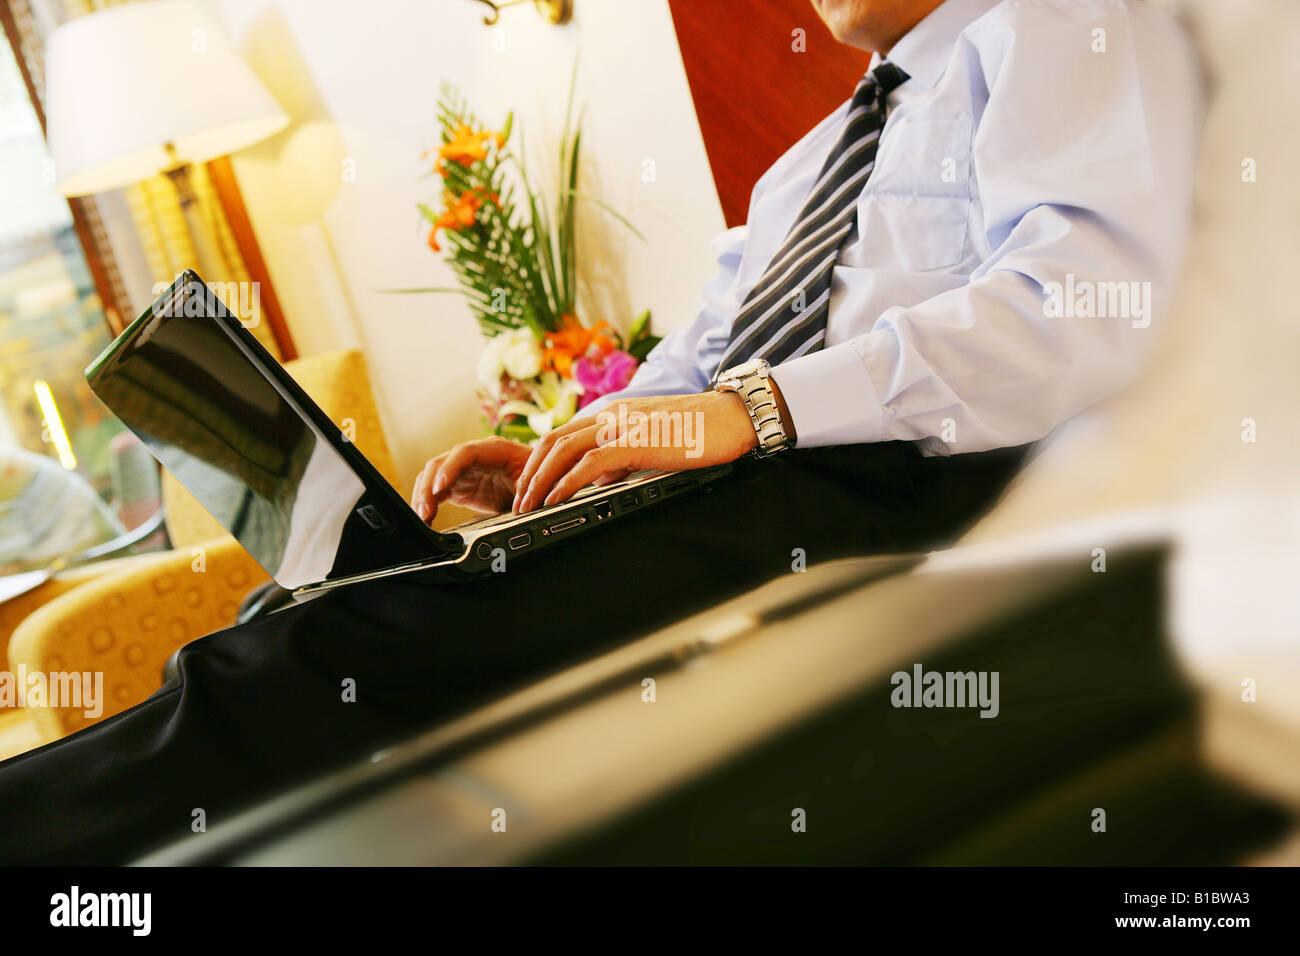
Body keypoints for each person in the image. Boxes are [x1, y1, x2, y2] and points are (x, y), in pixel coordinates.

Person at [0, 0, 1200, 864]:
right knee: (312, 612)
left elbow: (1079, 306)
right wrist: (573, 451)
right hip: (736, 486)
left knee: (315, 657)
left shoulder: (1056, 24)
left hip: (882, 491)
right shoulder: (799, 168)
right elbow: (694, 355)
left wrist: (757, 410)